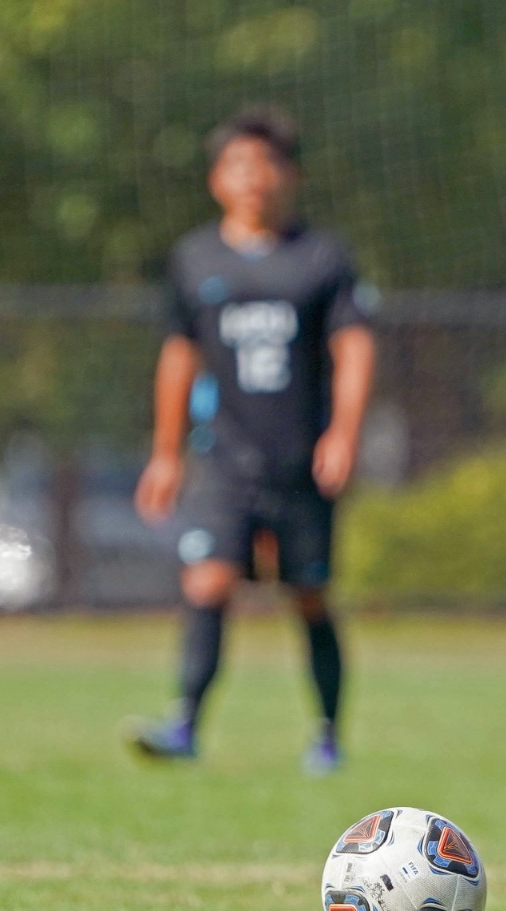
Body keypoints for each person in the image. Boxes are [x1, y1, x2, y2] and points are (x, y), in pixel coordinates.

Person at [126, 107, 377, 774]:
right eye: (237, 165)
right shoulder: (195, 259)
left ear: (290, 176)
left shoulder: (321, 258)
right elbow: (179, 356)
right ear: (216, 179)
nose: (252, 178)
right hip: (223, 459)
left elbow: (353, 347)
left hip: (300, 460)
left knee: (308, 594)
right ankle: (184, 724)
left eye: (265, 164)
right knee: (207, 581)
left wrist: (343, 433)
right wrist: (165, 453)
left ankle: (327, 734)